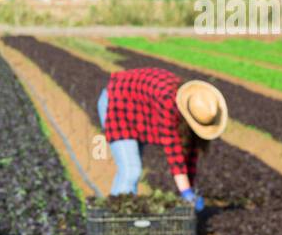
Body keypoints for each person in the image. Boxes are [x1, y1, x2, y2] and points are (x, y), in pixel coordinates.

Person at [96, 67, 228, 210]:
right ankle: (116, 222)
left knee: (132, 168)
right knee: (131, 170)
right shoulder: (168, 102)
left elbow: (189, 155)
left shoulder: (191, 106)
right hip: (117, 103)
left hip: (137, 110)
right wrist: (185, 192)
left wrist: (190, 186)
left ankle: (124, 215)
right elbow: (173, 151)